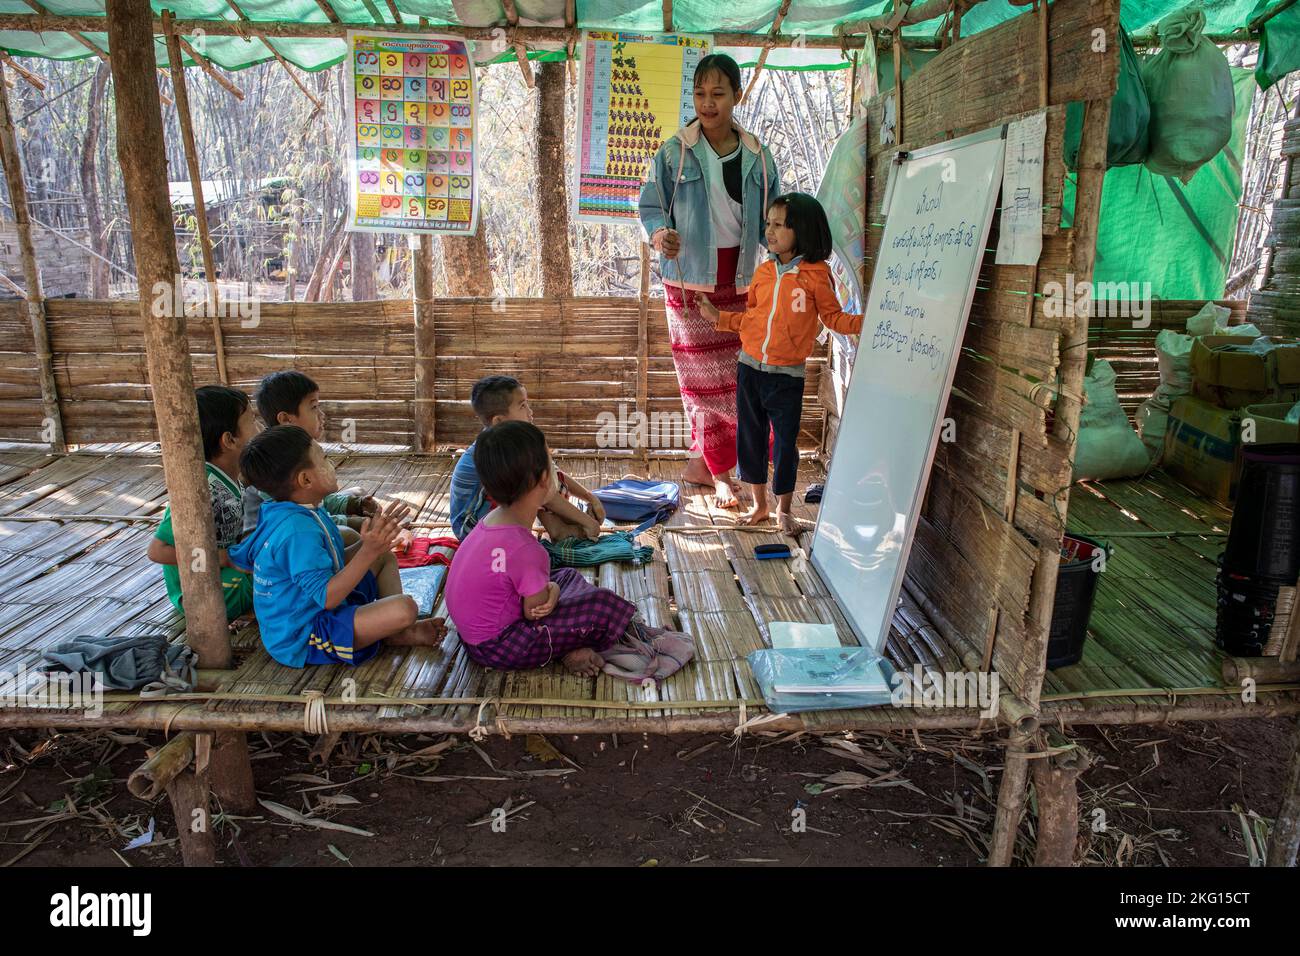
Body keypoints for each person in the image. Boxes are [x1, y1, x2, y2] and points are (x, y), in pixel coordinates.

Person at [638, 52, 780, 509]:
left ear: (737, 97)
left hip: (743, 283)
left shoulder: (758, 156)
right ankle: (720, 476)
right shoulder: (674, 151)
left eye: (718, 93)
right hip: (688, 284)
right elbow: (650, 205)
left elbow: (776, 215)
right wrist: (661, 235)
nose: (708, 102)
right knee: (701, 384)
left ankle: (724, 462)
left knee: (747, 377)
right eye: (700, 93)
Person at [445, 421, 683, 675]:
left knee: (566, 574)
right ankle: (569, 650)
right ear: (545, 479)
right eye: (550, 459)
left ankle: (568, 639)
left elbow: (501, 567)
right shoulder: (526, 550)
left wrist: (551, 586)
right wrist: (555, 590)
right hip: (499, 646)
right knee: (600, 605)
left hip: (472, 634)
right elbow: (534, 613)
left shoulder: (489, 524)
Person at [697, 193, 863, 536]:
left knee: (786, 445)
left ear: (800, 230)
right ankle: (760, 506)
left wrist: (869, 321)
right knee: (751, 439)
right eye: (768, 223)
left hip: (786, 377)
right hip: (750, 369)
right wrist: (719, 317)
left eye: (778, 224)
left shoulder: (818, 276)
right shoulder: (764, 271)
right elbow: (753, 319)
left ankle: (784, 510)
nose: (769, 231)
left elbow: (834, 319)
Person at [230, 426, 445, 667]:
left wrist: (370, 543)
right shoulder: (296, 531)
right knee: (405, 609)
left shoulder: (302, 509)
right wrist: (367, 551)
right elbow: (327, 597)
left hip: (314, 608)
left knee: (383, 557)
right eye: (323, 458)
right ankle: (391, 629)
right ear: (305, 479)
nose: (331, 463)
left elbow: (333, 564)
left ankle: (392, 631)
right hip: (303, 635)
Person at [147, 385, 262, 623]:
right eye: (252, 422)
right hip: (204, 594)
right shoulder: (201, 491)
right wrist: (223, 558)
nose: (259, 429)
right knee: (279, 571)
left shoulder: (230, 478)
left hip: (224, 576)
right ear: (229, 440)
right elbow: (157, 551)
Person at [448, 375, 605, 541]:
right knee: (535, 482)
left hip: (490, 516)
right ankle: (558, 529)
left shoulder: (509, 440)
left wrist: (590, 497)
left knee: (543, 472)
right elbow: (544, 490)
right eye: (522, 406)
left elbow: (552, 472)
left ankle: (558, 526)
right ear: (499, 421)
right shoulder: (499, 450)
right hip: (471, 527)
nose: (530, 413)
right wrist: (587, 522)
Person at [243, 370, 380, 540]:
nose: (322, 415)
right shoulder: (278, 460)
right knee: (350, 535)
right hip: (280, 536)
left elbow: (318, 502)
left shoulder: (296, 447)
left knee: (358, 493)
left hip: (304, 513)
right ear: (286, 419)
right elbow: (308, 514)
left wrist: (355, 506)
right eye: (314, 407)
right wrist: (358, 522)